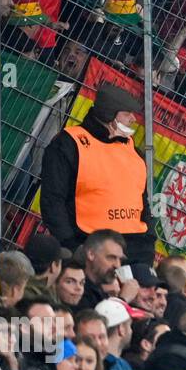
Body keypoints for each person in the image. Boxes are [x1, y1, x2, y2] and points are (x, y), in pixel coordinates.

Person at [38, 81, 155, 269]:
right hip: (90, 248)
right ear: (110, 114)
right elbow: (53, 200)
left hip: (137, 252)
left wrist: (149, 242)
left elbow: (143, 202)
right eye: (127, 114)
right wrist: (71, 246)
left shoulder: (134, 151)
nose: (133, 119)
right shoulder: (68, 144)